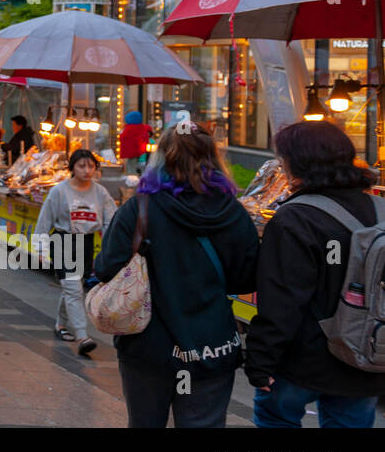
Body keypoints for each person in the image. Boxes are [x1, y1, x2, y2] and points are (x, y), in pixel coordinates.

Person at [92, 123, 259, 428]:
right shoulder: (235, 214)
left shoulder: (139, 209)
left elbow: (105, 268)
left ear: (162, 159)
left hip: (148, 346)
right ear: (213, 158)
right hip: (212, 346)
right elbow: (247, 280)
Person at [245, 121, 385, 428]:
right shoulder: (380, 210)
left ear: (298, 162)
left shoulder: (295, 217)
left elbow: (282, 301)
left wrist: (261, 360)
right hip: (364, 355)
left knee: (275, 419)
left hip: (301, 360)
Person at [37, 148, 117, 356]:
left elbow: (111, 220)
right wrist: (40, 247)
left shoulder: (100, 192)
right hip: (63, 240)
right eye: (82, 166)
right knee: (73, 288)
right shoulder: (59, 191)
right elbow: (44, 220)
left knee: (74, 286)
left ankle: (60, 325)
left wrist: (112, 245)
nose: (87, 170)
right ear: (72, 167)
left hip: (86, 243)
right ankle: (82, 336)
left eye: (91, 166)